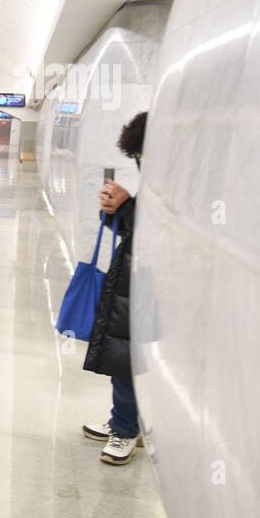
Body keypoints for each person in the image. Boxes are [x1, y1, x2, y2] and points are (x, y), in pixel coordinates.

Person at [81, 112, 147, 465]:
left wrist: (127, 207)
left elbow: (164, 231)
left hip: (147, 285)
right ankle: (123, 422)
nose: (139, 163)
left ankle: (126, 430)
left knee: (125, 358)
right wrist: (116, 210)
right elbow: (138, 230)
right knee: (123, 357)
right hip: (132, 280)